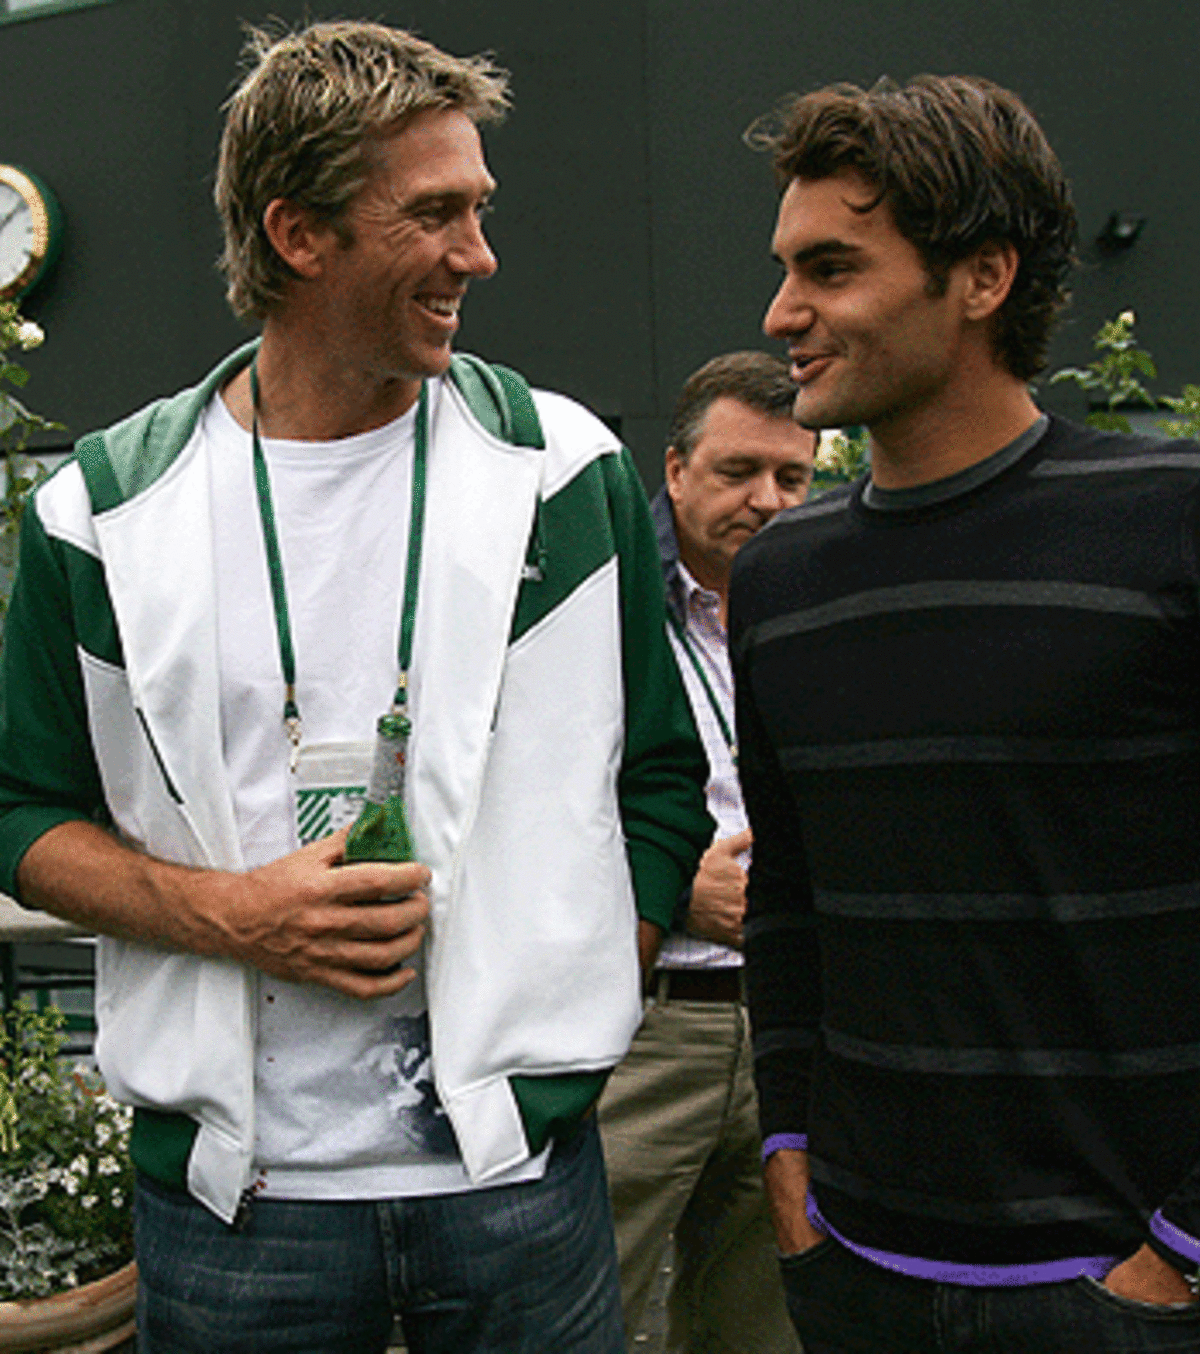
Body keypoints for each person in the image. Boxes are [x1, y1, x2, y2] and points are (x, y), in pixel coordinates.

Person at [0, 21, 711, 1354]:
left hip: (520, 1189)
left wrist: (581, 1001)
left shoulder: (564, 474)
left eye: (478, 209)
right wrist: (237, 915)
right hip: (238, 1212)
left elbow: (658, 779)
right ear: (297, 232)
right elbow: (23, 813)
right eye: (435, 213)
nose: (480, 255)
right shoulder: (105, 512)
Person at [731, 74, 1200, 1352]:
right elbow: (789, 904)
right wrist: (788, 1163)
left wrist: (1180, 1254)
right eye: (784, 268)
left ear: (982, 277)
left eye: (831, 268)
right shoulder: (779, 578)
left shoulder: (1169, 526)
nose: (783, 313)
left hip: (1123, 1296)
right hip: (856, 1272)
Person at [599, 352, 814, 1354]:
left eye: (792, 476)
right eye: (738, 472)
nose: (767, 500)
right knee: (576, 1314)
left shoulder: (819, 600)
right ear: (675, 469)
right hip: (647, 1029)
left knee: (762, 1331)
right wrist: (672, 887)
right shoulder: (600, 602)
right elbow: (508, 806)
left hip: (787, 1030)